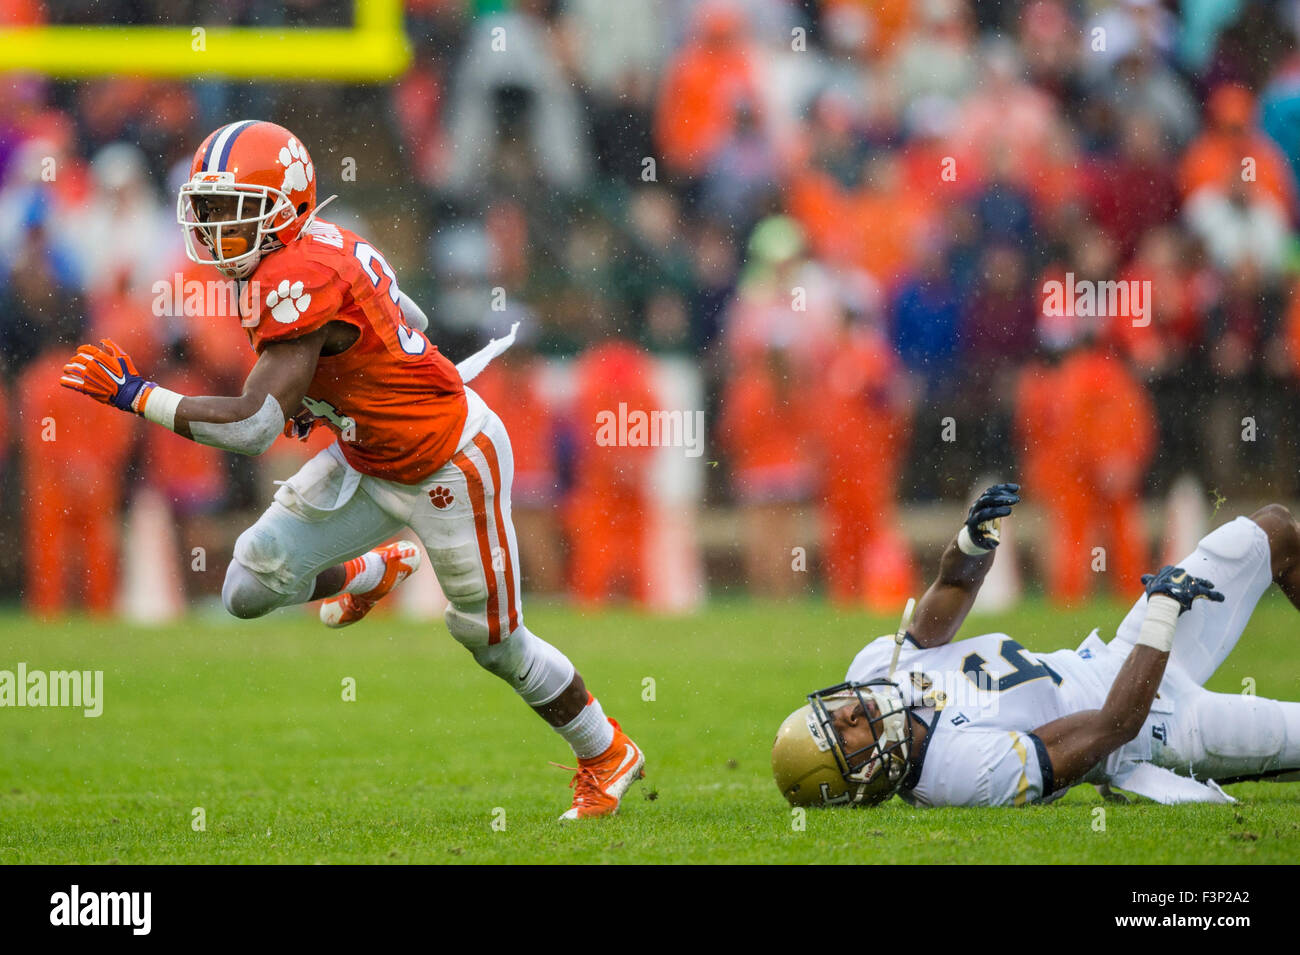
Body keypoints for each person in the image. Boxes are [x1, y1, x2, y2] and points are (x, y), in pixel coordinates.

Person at [58, 120, 644, 821]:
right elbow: (405, 314)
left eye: (231, 207)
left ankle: (606, 750)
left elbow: (251, 425)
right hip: (369, 456)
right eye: (207, 209)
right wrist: (338, 389)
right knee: (247, 585)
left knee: (494, 643)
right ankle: (373, 570)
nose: (214, 227)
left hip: (447, 462)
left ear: (285, 204)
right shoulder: (316, 249)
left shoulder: (295, 272)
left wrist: (138, 394)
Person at [772, 483, 1300, 807]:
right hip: (1157, 729)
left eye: (835, 710)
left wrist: (972, 542)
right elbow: (1112, 726)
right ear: (865, 776)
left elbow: (954, 587)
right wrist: (1162, 612)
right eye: (846, 732)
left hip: (1117, 656)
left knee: (1274, 531)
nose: (850, 711)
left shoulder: (876, 668)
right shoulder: (957, 776)